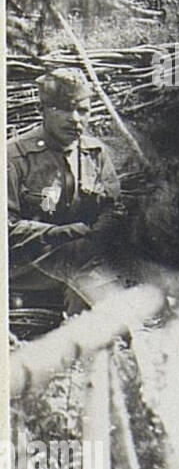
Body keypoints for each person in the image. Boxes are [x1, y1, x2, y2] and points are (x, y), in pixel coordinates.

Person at [8, 68, 123, 317]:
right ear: (42, 111)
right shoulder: (14, 156)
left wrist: (102, 230)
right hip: (25, 265)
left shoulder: (95, 154)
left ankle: (86, 341)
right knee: (84, 265)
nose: (75, 119)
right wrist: (59, 233)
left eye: (83, 110)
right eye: (62, 109)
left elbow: (113, 208)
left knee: (89, 274)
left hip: (81, 260)